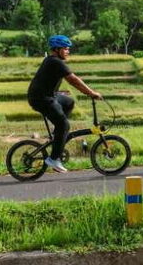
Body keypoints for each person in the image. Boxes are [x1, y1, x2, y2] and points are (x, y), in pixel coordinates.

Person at [27, 35, 102, 173]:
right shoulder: (55, 62)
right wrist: (91, 93)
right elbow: (74, 80)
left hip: (49, 96)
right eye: (66, 49)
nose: (68, 51)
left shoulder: (53, 61)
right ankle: (53, 159)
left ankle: (58, 135)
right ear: (57, 49)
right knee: (64, 125)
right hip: (41, 99)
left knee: (68, 102)